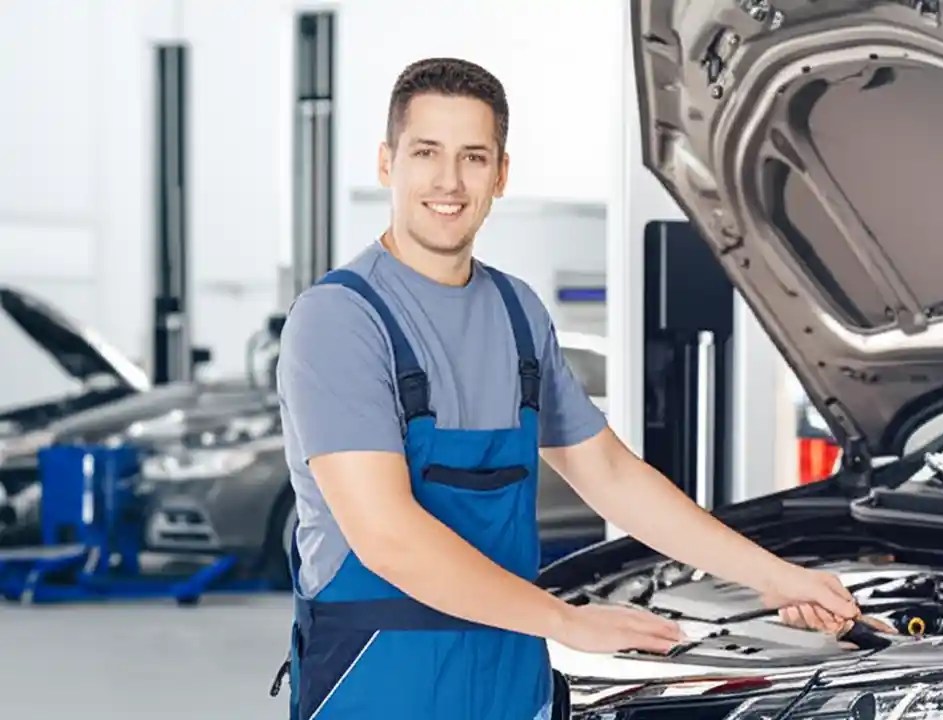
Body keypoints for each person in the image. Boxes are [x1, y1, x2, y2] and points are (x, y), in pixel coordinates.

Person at [273, 57, 861, 720]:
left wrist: (779, 578)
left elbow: (610, 474)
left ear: (501, 173)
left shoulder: (518, 312)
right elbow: (388, 536)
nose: (448, 180)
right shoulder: (340, 319)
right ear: (388, 163)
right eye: (426, 153)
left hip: (509, 686)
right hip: (380, 687)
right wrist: (568, 620)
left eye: (473, 156)